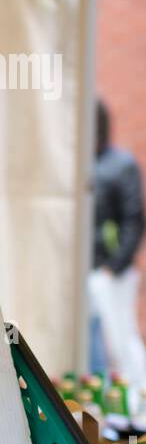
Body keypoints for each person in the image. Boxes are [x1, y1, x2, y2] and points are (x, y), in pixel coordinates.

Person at [89, 99, 146, 415]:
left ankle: (138, 404)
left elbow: (133, 219)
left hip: (112, 272)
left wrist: (115, 266)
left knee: (120, 337)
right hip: (89, 271)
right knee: (97, 342)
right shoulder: (81, 164)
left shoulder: (120, 165)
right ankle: (109, 406)